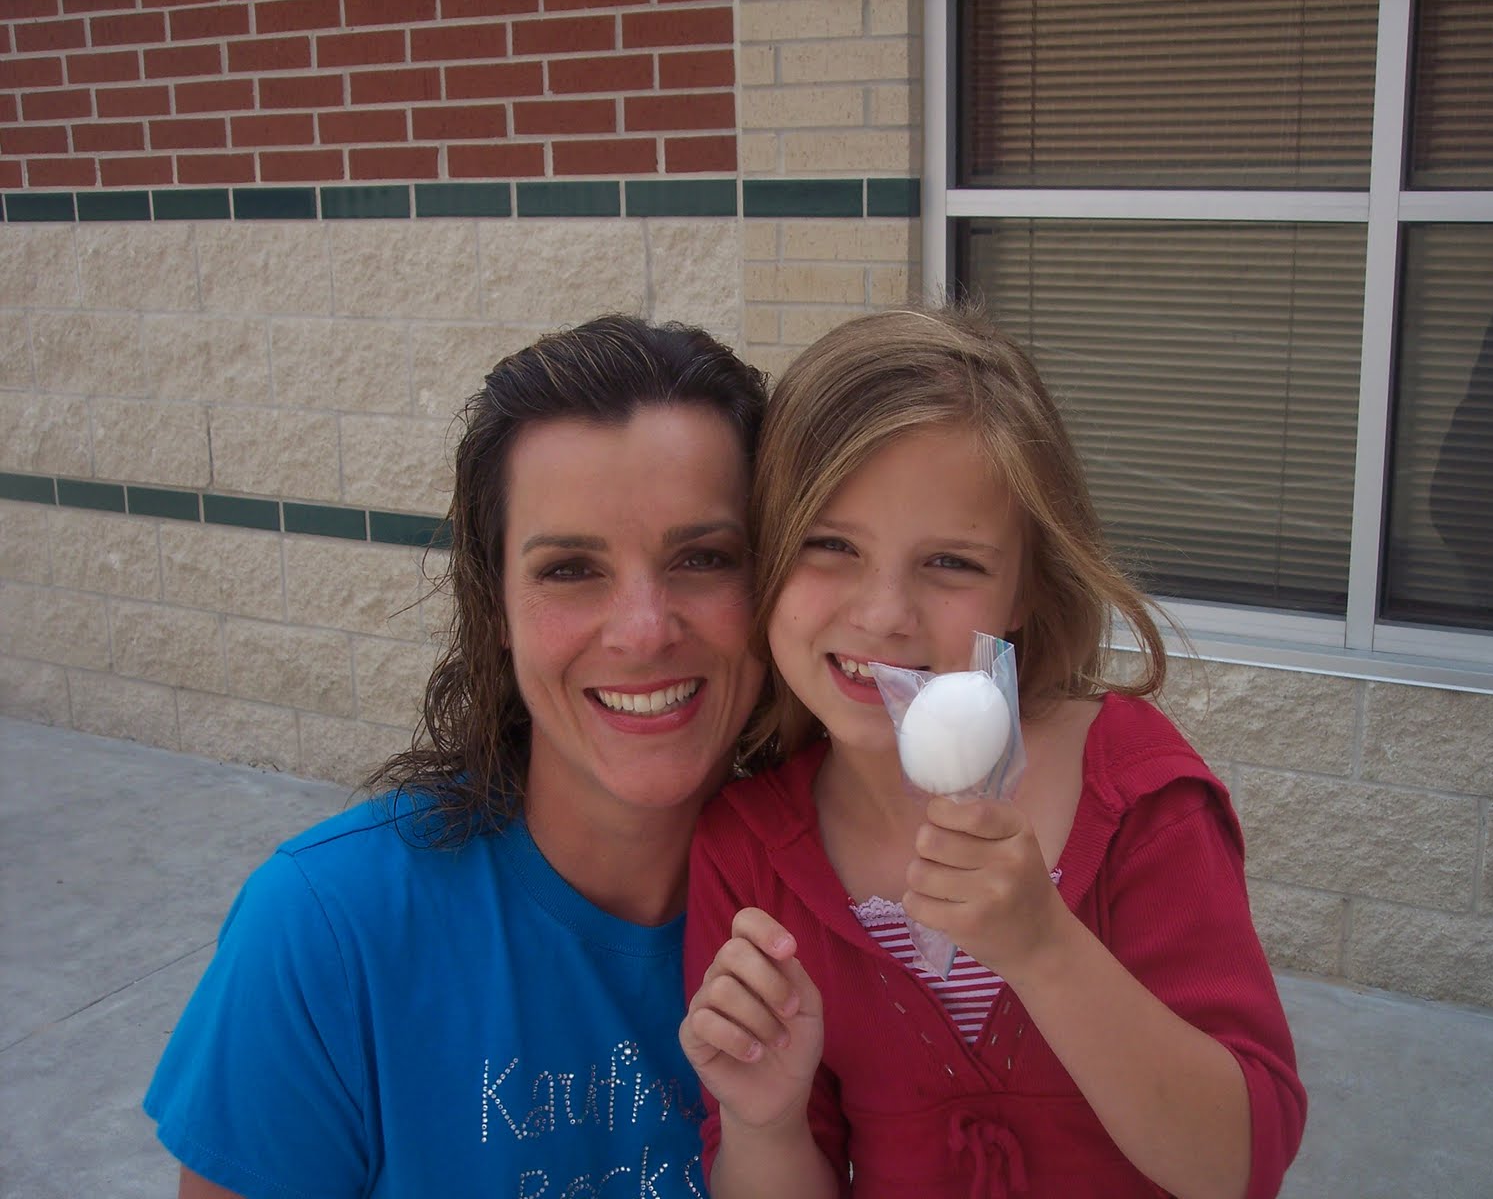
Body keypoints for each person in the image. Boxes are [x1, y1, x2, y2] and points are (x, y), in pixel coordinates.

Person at [679, 306, 1306, 1199]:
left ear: (1024, 587)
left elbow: (1242, 1164)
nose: (885, 612)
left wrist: (1043, 948)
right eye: (830, 545)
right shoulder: (747, 851)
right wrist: (763, 1120)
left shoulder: (1134, 791)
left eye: (951, 564)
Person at [144, 315, 769, 1198]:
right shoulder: (329, 931)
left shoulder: (843, 912)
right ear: (495, 608)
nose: (643, 630)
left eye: (704, 557)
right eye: (568, 569)